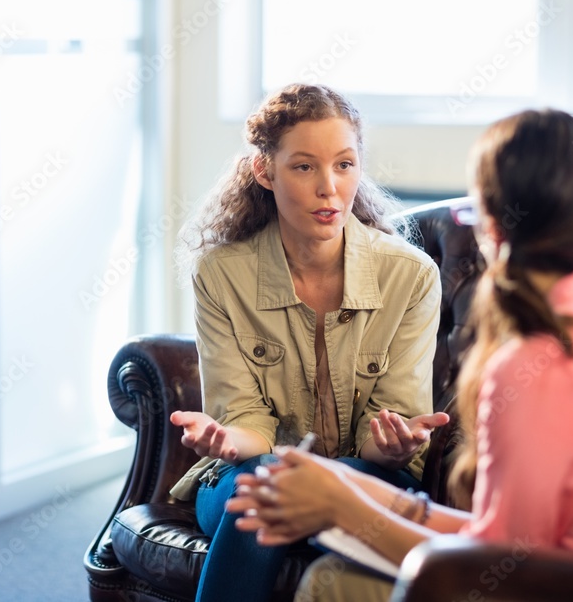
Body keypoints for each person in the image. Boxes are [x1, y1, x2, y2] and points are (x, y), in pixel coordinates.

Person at [227, 108, 573, 601]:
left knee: (329, 582)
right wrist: (354, 490)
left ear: (492, 227)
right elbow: (510, 540)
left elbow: (492, 569)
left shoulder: (537, 366)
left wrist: (344, 509)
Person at [168, 83, 449, 602]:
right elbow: (245, 419)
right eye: (304, 167)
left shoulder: (410, 276)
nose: (329, 188)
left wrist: (391, 443)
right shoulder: (221, 273)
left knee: (311, 489)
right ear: (264, 172)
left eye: (344, 164)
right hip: (247, 470)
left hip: (367, 472)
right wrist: (229, 441)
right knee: (268, 484)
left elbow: (389, 430)